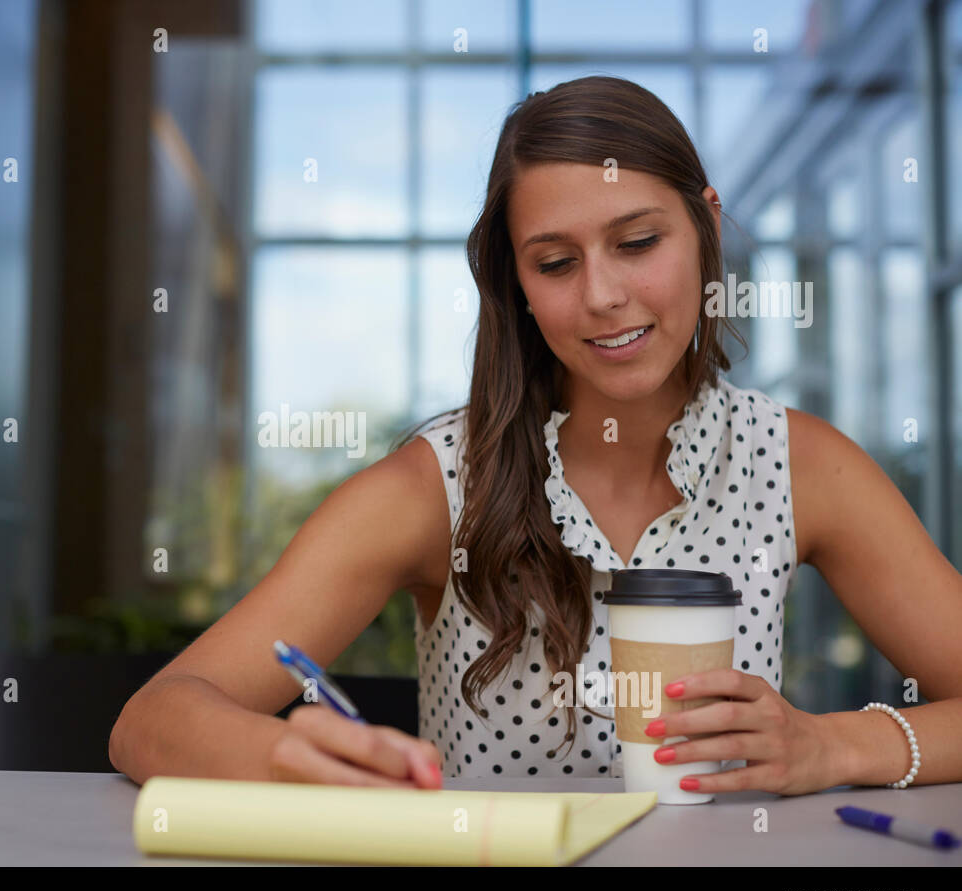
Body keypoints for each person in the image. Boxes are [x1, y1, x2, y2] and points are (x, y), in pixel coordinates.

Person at [110, 76, 962, 796]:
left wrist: (835, 746)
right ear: (515, 281)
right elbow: (152, 720)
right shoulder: (435, 487)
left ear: (705, 224)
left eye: (637, 242)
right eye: (555, 263)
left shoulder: (801, 464)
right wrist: (278, 757)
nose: (602, 296)